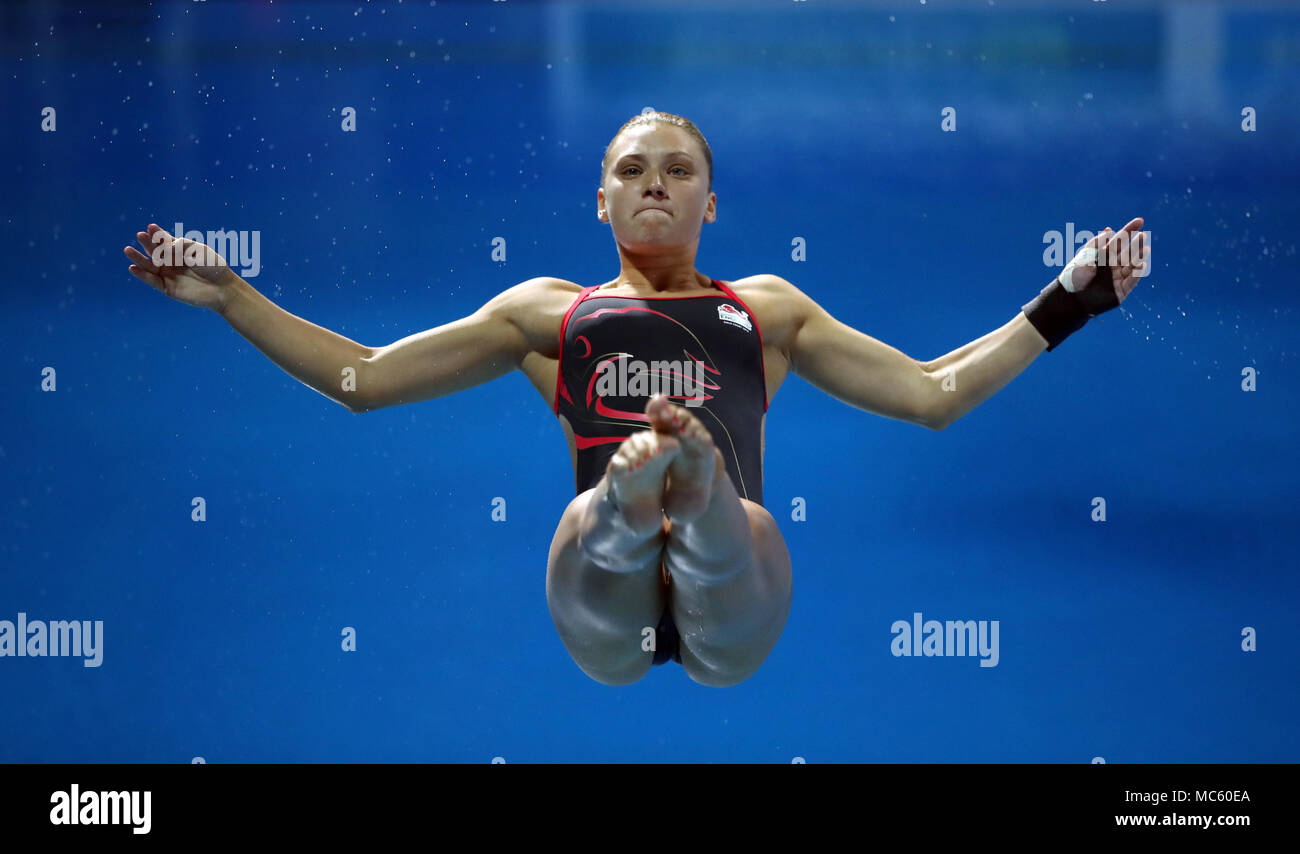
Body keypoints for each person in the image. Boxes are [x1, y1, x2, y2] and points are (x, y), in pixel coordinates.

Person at [123, 111, 1151, 688]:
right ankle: (644, 481)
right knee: (599, 516)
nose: (654, 182)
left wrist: (1068, 303)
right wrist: (231, 295)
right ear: (602, 199)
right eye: (631, 169)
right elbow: (366, 380)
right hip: (600, 609)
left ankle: (677, 475)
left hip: (735, 601)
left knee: (734, 517)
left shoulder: (768, 311)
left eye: (678, 170)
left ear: (712, 200)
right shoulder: (549, 315)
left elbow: (933, 393)